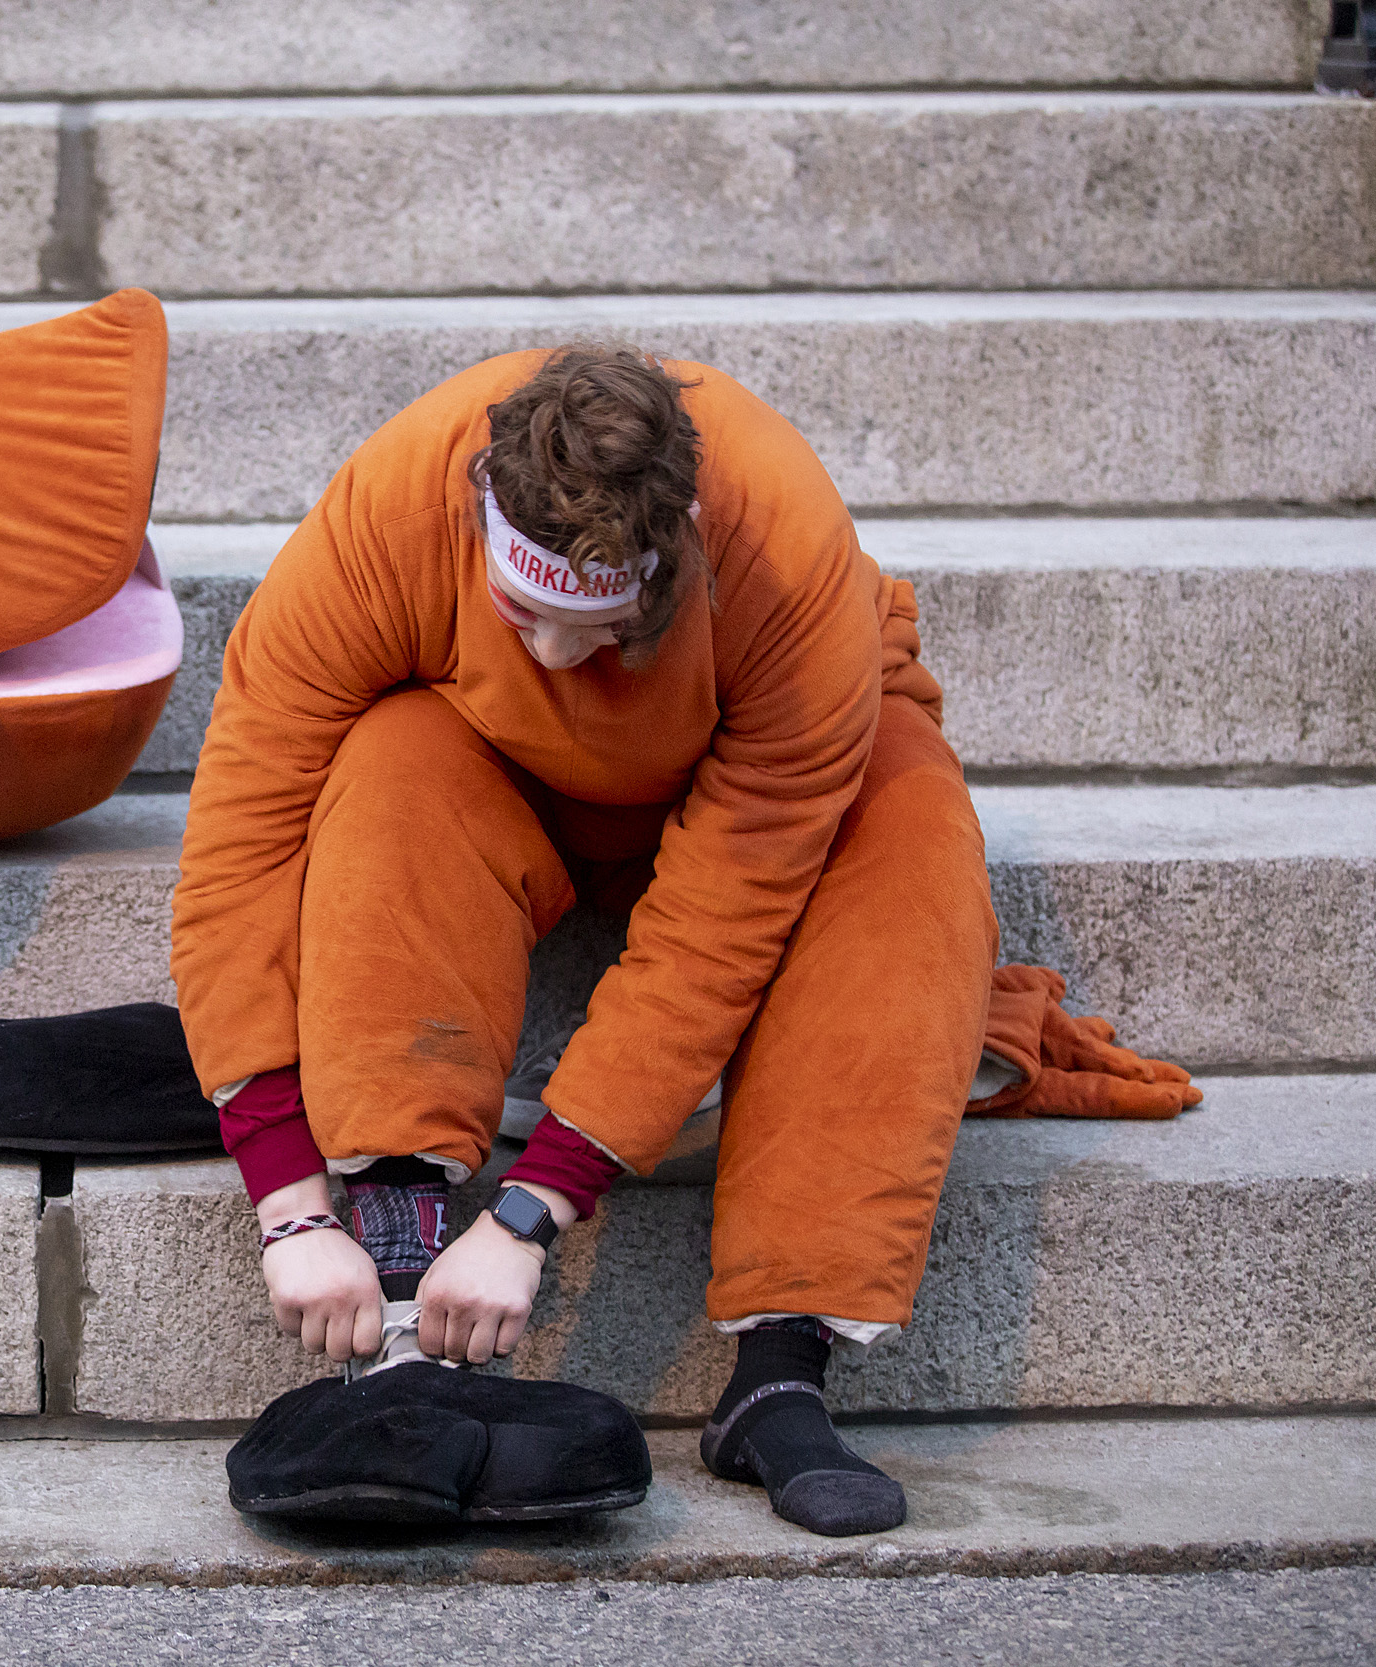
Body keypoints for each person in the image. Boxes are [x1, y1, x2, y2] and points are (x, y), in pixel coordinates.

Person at [170, 344, 995, 1537]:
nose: (557, 655)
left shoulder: (787, 563)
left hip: (751, 790)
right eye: (526, 615)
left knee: (911, 823)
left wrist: (534, 1209)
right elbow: (242, 841)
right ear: (475, 514)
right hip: (501, 771)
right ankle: (405, 1310)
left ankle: (782, 1365)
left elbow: (721, 920)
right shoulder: (388, 512)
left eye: (599, 629)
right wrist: (289, 1203)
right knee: (394, 756)